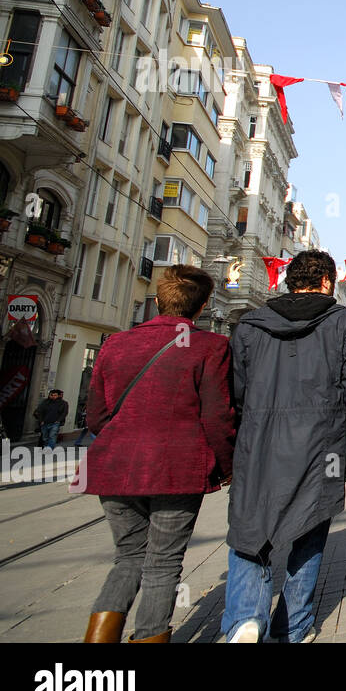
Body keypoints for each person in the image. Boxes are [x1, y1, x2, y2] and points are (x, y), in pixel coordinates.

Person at [221, 250, 346, 644]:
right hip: (321, 444)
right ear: (327, 282)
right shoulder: (343, 322)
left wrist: (237, 441)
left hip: (258, 441)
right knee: (310, 526)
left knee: (249, 526)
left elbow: (234, 393)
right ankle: (292, 627)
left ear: (288, 280)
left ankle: (245, 617)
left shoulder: (248, 325)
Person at [80, 265, 236, 643]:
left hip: (115, 467)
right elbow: (217, 416)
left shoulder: (115, 344)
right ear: (201, 308)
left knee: (128, 557)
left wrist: (127, 439)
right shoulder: (210, 347)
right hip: (176, 468)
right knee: (163, 562)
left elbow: (96, 415)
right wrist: (227, 464)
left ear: (156, 301)